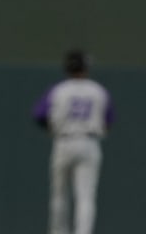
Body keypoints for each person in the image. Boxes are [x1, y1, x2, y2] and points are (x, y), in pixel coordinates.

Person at [33, 49, 113, 234]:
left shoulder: (59, 90)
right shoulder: (98, 90)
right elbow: (108, 120)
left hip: (64, 141)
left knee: (59, 195)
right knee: (85, 195)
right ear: (86, 67)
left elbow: (38, 115)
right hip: (89, 141)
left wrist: (52, 128)